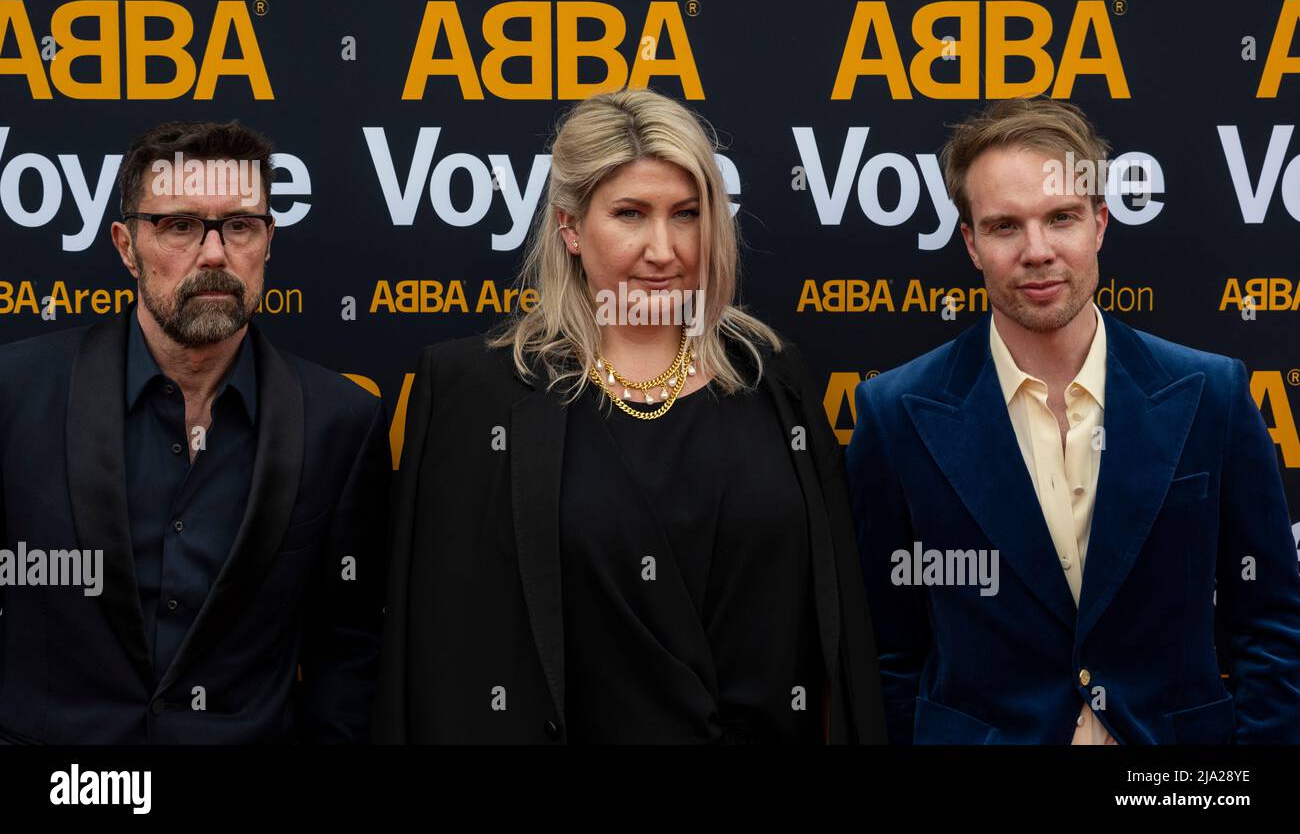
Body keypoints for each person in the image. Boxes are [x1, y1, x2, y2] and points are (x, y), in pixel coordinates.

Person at [374, 88, 885, 744]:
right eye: (630, 214)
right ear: (570, 227)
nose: (663, 249)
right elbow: (441, 659)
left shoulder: (772, 376)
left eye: (686, 214)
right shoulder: (473, 391)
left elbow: (836, 641)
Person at [847, 96, 1300, 744]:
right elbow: (885, 652)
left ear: (1099, 222)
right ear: (971, 243)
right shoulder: (896, 415)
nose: (1038, 251)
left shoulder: (1211, 395)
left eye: (1060, 218)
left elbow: (1272, 626)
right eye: (1006, 226)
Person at [0, 120, 390, 743]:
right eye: (180, 225)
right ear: (127, 246)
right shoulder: (15, 395)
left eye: (239, 225)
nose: (214, 253)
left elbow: (346, 647)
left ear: (269, 242)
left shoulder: (340, 422)